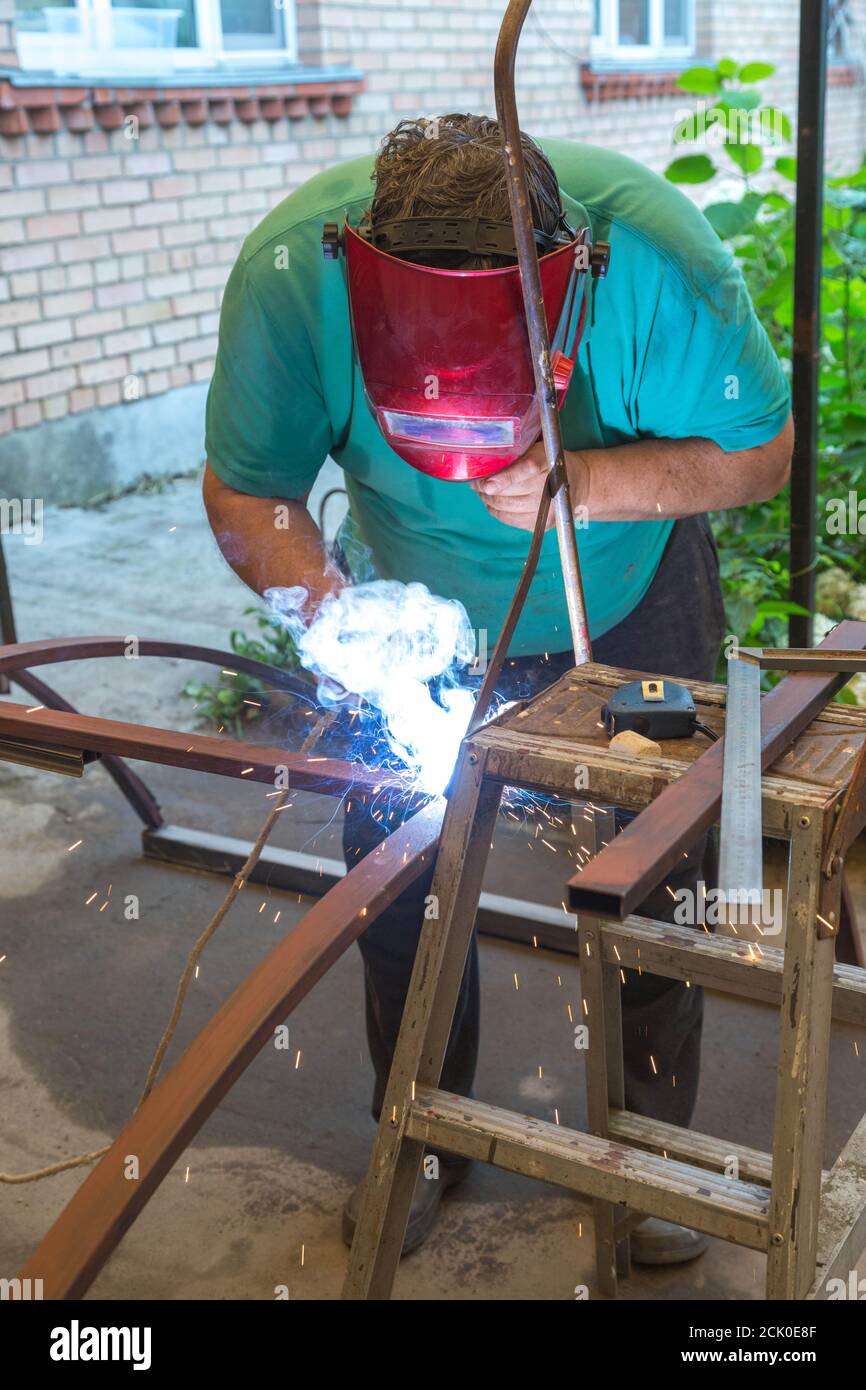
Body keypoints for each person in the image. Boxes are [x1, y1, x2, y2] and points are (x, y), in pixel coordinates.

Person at [203, 114, 793, 1264]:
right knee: (398, 861)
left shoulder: (653, 262)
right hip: (414, 619)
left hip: (623, 588)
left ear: (564, 300)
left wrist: (586, 481)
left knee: (657, 868)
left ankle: (650, 1160)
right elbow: (247, 496)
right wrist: (339, 618)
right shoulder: (292, 281)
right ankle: (420, 1135)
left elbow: (758, 453)